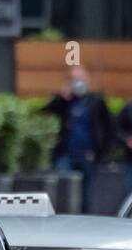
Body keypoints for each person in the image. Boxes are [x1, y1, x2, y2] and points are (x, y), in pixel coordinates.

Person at [42, 66, 113, 213]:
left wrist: (99, 153)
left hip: (87, 156)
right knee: (63, 193)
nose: (78, 83)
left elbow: (108, 128)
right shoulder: (65, 101)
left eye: (80, 79)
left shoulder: (95, 101)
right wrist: (62, 97)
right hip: (66, 155)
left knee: (85, 197)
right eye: (74, 80)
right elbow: (46, 112)